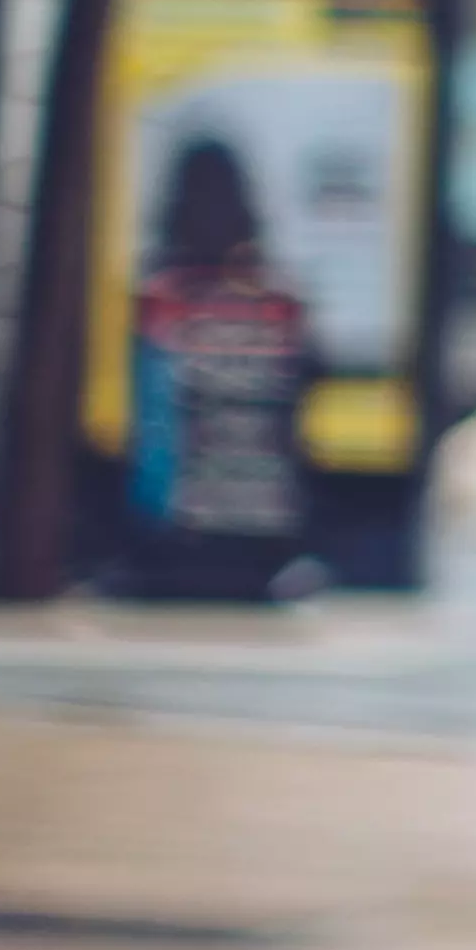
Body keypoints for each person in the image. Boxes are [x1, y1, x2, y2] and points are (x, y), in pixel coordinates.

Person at [124, 133, 318, 600]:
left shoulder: (163, 297)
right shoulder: (278, 298)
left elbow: (153, 420)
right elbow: (298, 403)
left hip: (179, 528)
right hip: (266, 524)